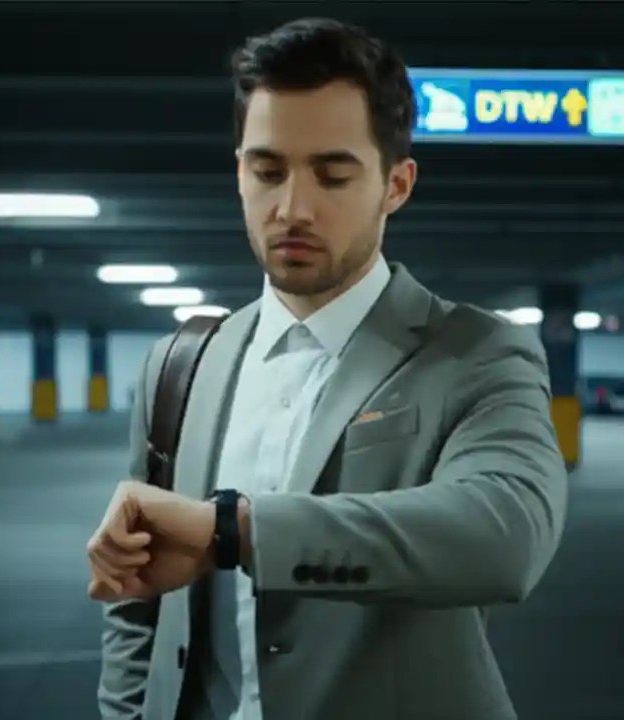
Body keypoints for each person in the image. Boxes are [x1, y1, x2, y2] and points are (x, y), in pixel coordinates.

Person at [87, 17, 568, 720]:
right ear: (239, 173)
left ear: (396, 185)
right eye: (268, 170)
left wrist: (236, 530)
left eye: (333, 175)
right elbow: (138, 611)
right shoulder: (181, 364)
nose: (293, 208)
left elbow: (505, 535)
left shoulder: (477, 353)